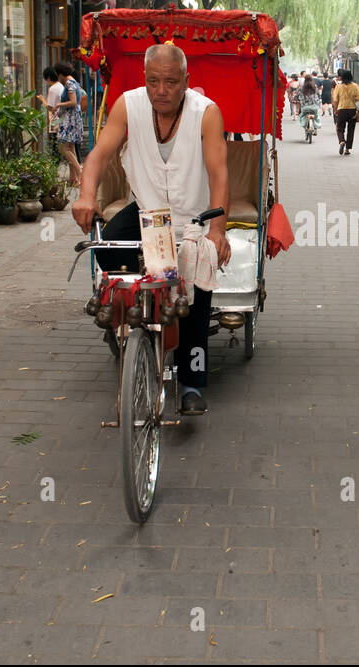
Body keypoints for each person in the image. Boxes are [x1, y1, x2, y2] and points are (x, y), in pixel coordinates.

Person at [71, 43, 232, 415]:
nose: (162, 90)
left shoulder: (205, 113)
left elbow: (218, 173)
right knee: (107, 247)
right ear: (144, 80)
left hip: (193, 218)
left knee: (196, 287)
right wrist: (86, 195)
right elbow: (99, 154)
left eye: (171, 82)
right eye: (154, 81)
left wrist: (218, 230)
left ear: (187, 81)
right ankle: (128, 321)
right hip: (148, 212)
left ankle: (192, 382)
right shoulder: (128, 105)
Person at [53, 61, 84, 185]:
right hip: (74, 118)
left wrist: (59, 104)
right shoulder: (74, 82)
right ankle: (73, 178)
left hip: (70, 119)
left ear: (60, 74)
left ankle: (80, 172)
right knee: (71, 147)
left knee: (63, 147)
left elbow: (73, 102)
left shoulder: (69, 84)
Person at [332, 68, 359, 156]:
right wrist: (352, 99)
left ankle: (341, 141)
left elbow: (335, 99)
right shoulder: (355, 86)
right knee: (351, 130)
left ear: (342, 77)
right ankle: (347, 149)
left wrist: (335, 110)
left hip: (341, 110)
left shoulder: (338, 86)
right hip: (352, 110)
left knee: (340, 128)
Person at [36, 66, 64, 136]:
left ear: (48, 78)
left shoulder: (52, 89)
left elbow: (50, 108)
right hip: (62, 119)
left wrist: (42, 99)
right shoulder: (60, 85)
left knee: (55, 143)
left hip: (56, 121)